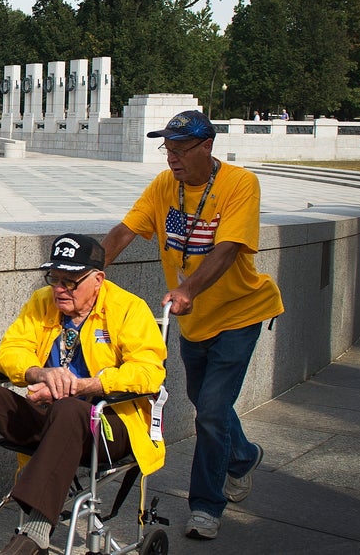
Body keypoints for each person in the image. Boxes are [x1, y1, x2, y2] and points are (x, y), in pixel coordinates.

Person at [0, 234, 166, 555]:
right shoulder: (42, 301)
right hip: (50, 415)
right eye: (55, 278)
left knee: (70, 408)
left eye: (71, 281)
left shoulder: (129, 309)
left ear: (98, 279)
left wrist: (87, 384)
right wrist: (39, 373)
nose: (59, 288)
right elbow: (10, 352)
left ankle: (35, 535)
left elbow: (149, 372)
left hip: (107, 426)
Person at [101, 110, 284, 541]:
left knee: (213, 411)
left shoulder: (240, 184)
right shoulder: (165, 187)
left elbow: (227, 250)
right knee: (204, 404)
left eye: (181, 150)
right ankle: (242, 456)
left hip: (241, 312)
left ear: (207, 147)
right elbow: (125, 230)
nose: (172, 160)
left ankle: (206, 507)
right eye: (168, 149)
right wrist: (88, 270)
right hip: (193, 322)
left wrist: (188, 290)